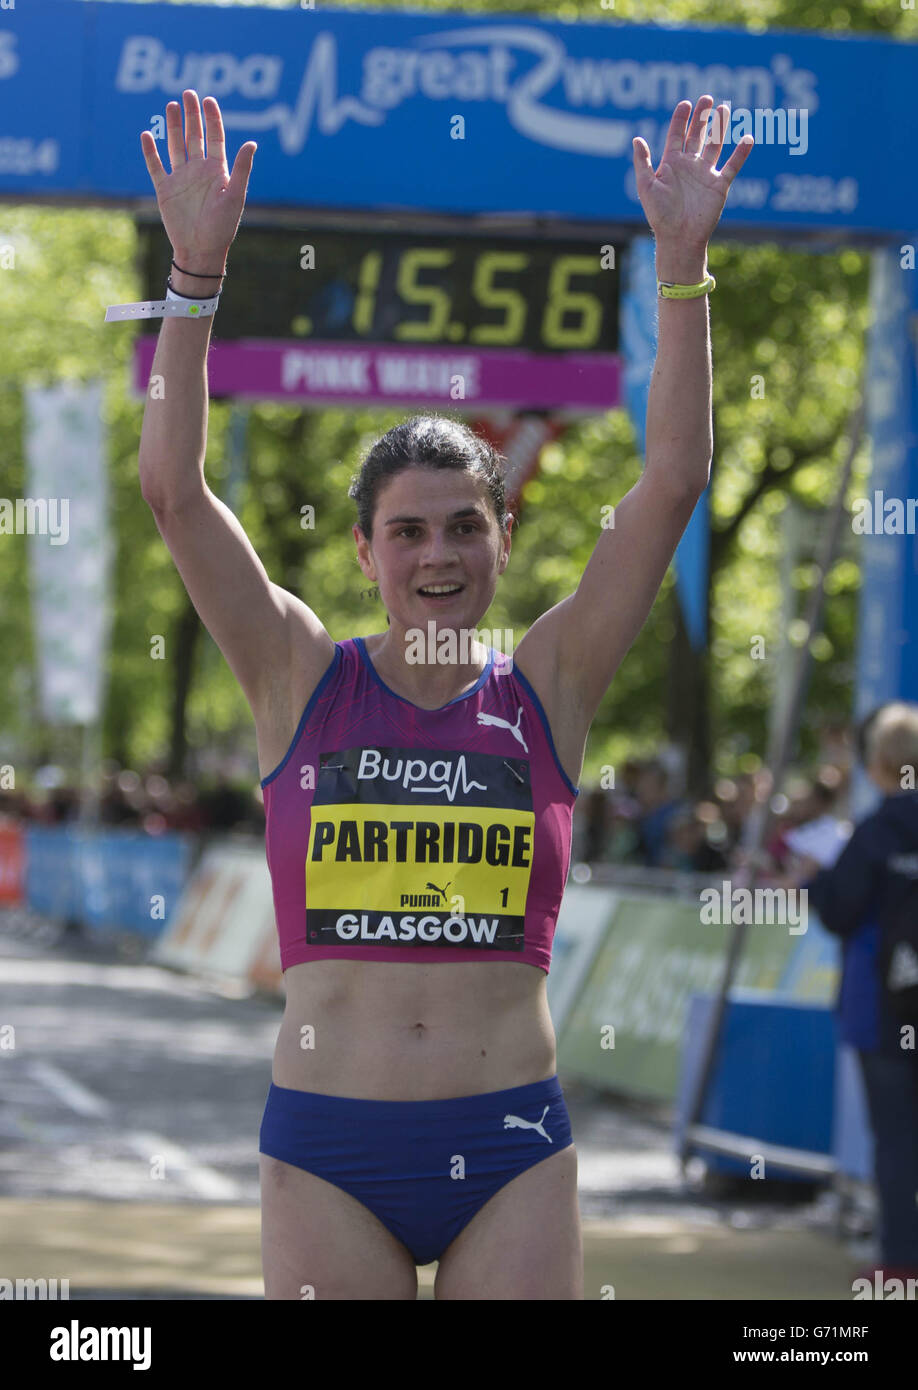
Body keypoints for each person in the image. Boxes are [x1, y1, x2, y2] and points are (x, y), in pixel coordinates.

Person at [135, 89, 752, 1299]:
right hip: (329, 1152)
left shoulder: (551, 684)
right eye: (408, 531)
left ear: (503, 541)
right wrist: (195, 278)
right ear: (365, 552)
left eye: (465, 527)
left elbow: (674, 477)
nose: (438, 556)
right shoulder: (297, 673)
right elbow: (171, 488)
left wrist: (682, 270)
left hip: (512, 1151)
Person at [784, 703, 918, 1280]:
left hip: (884, 1008)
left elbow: (840, 910)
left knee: (895, 1137)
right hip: (890, 1002)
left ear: (877, 764)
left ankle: (901, 1264)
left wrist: (810, 880)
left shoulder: (876, 829)